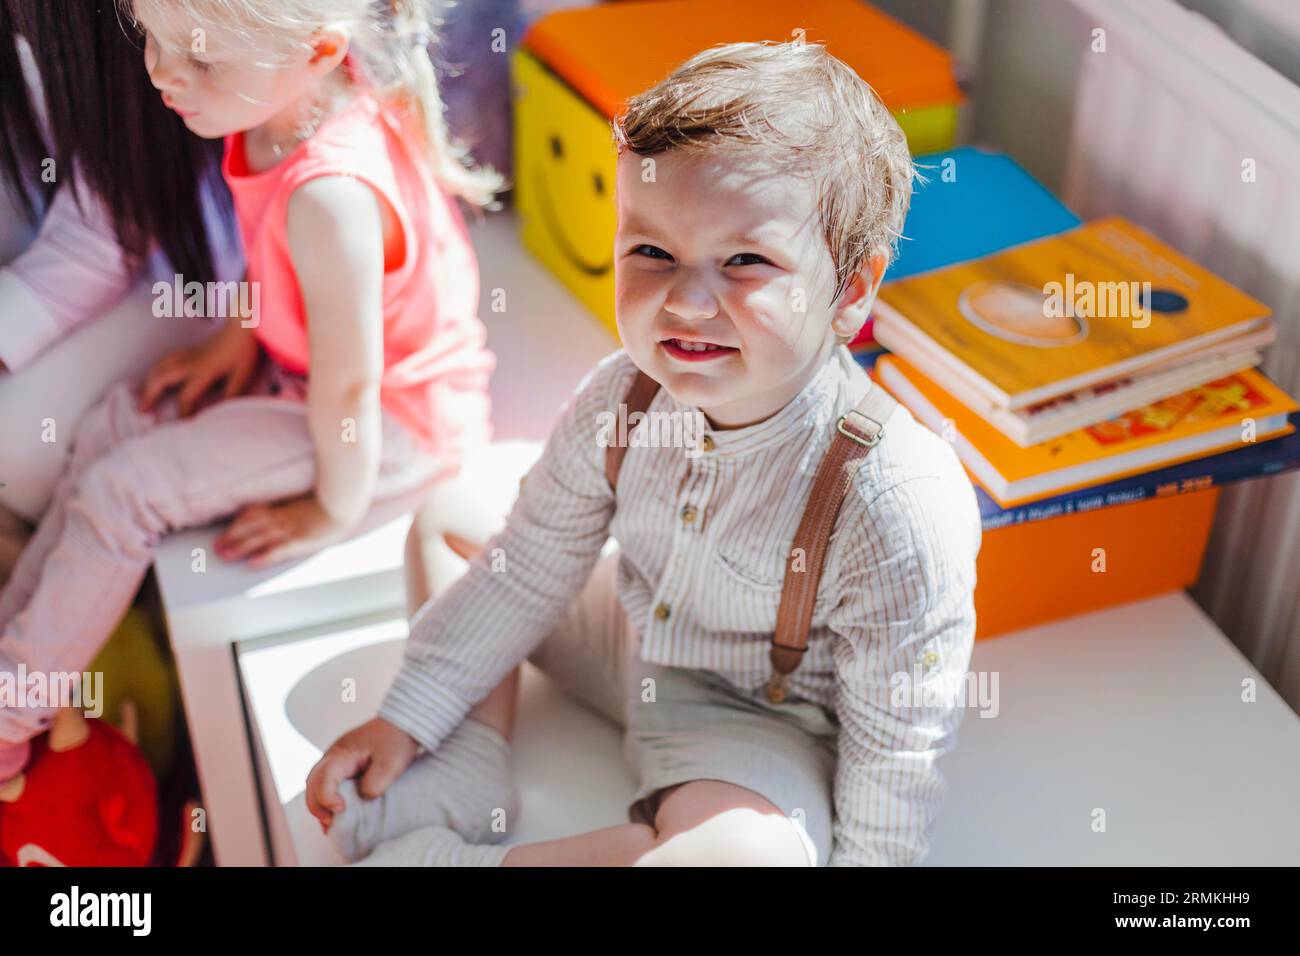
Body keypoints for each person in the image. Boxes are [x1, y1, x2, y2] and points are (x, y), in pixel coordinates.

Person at [309, 40, 983, 867]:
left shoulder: (894, 500)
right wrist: (412, 714)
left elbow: (898, 751)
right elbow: (526, 568)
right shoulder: (620, 398)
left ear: (850, 288)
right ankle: (470, 762)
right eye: (652, 252)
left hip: (756, 726)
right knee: (453, 515)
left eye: (745, 262)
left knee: (746, 860)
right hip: (630, 642)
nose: (686, 300)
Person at [0, 0, 499, 791]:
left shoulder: (330, 194)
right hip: (320, 381)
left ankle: (10, 716)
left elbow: (351, 384)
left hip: (388, 424)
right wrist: (239, 336)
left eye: (197, 59)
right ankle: (14, 649)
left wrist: (332, 508)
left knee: (123, 493)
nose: (163, 74)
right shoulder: (271, 100)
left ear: (317, 51)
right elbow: (279, 268)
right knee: (115, 424)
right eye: (154, 42)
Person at [0, 0, 238, 578]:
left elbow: (99, 238)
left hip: (176, 249)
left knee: (16, 450)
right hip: (62, 210)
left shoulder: (124, 33)